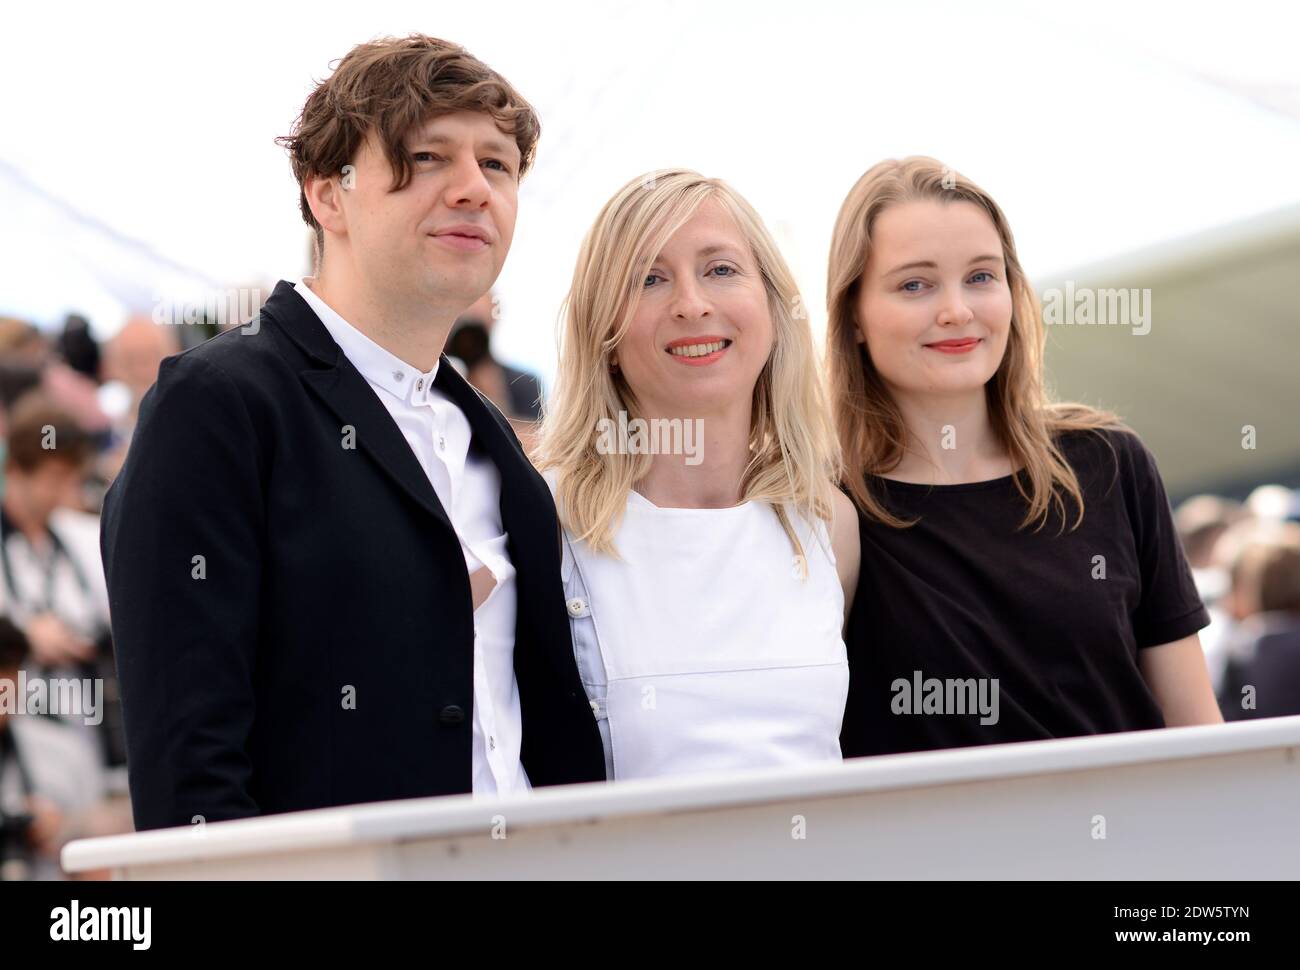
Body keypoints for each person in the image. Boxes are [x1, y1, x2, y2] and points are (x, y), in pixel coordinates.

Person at [101, 34, 605, 832]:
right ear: (326, 196)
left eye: (497, 165)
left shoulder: (492, 441)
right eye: (429, 156)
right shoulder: (219, 406)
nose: (474, 188)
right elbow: (188, 773)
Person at [825, 157, 1222, 757]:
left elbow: (1197, 728)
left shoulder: (1109, 465)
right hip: (938, 849)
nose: (957, 310)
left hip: (1137, 843)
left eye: (982, 277)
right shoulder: (822, 509)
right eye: (915, 284)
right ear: (853, 314)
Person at [536, 170, 859, 781]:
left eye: (720, 269)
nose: (692, 303)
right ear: (602, 331)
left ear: (773, 303)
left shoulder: (826, 522)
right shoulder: (547, 522)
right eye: (649, 279)